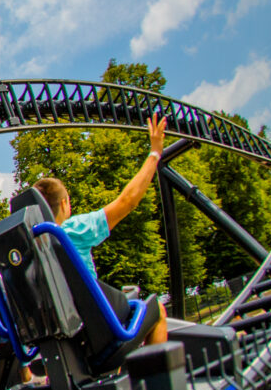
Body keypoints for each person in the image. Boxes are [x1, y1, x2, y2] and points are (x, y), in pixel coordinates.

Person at [31, 114, 169, 344]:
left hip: (68, 336)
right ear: (64, 203)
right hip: (98, 329)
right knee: (157, 311)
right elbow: (128, 201)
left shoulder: (31, 247)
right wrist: (154, 153)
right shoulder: (70, 231)